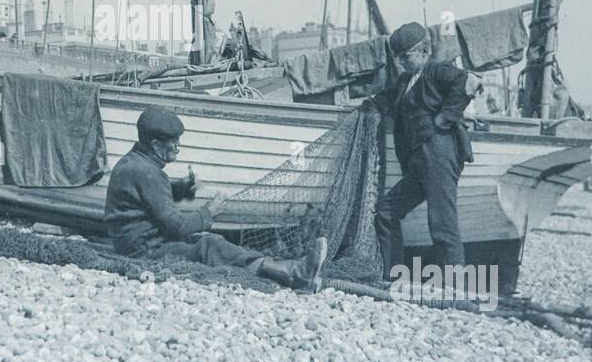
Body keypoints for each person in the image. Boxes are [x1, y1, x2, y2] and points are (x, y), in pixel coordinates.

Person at [104, 106, 329, 292]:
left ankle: (289, 271)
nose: (177, 147)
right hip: (144, 251)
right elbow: (176, 227)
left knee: (210, 243)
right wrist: (208, 212)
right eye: (173, 142)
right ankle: (296, 274)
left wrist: (182, 189)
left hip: (135, 242)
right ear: (155, 145)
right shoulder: (148, 173)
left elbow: (146, 198)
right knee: (208, 244)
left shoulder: (133, 164)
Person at [373, 22, 480, 276]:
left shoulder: (436, 71)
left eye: (405, 56)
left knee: (442, 223)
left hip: (439, 154)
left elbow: (468, 81)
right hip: (418, 162)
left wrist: (444, 118)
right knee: (386, 212)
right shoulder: (406, 80)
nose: (400, 62)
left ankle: (455, 289)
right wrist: (369, 105)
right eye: (397, 57)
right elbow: (387, 99)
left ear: (423, 50)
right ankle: (393, 276)